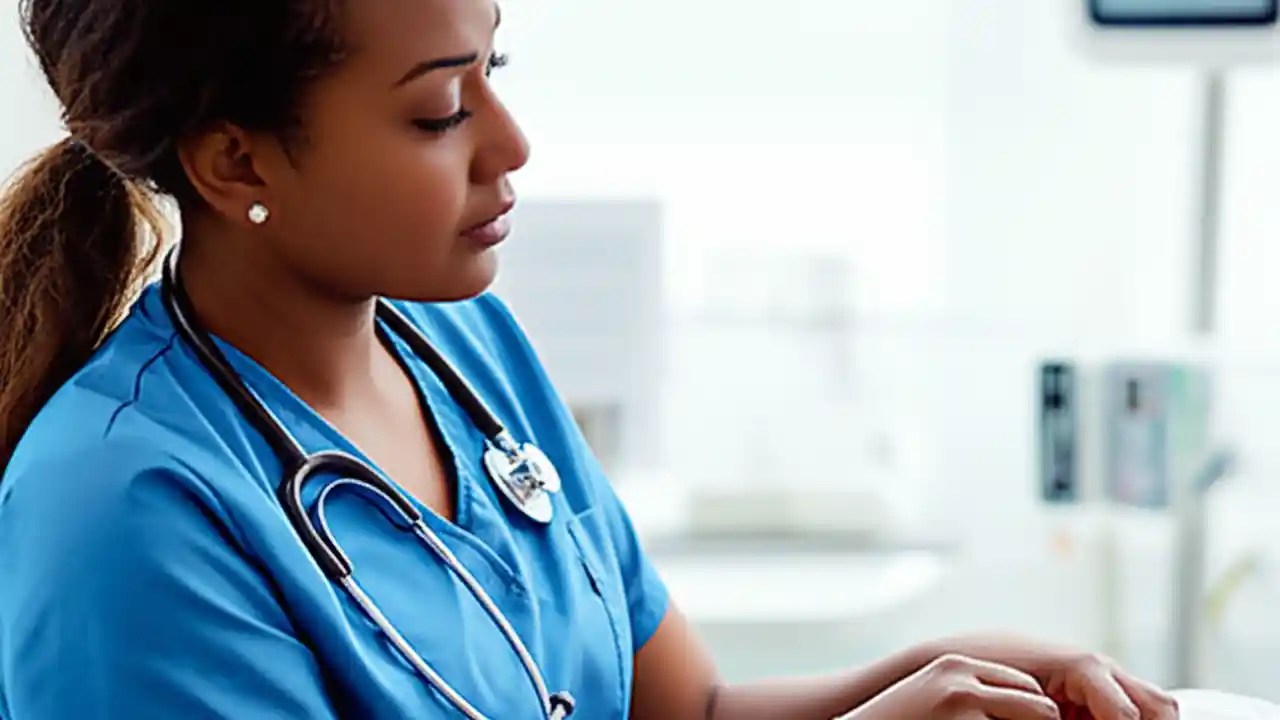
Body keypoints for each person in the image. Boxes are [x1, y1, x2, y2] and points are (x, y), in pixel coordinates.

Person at [0, 1, 1181, 718]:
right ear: (235, 164)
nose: (510, 144)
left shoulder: (465, 347)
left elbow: (689, 711)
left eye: (491, 73)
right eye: (436, 112)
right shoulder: (120, 514)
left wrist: (949, 673)